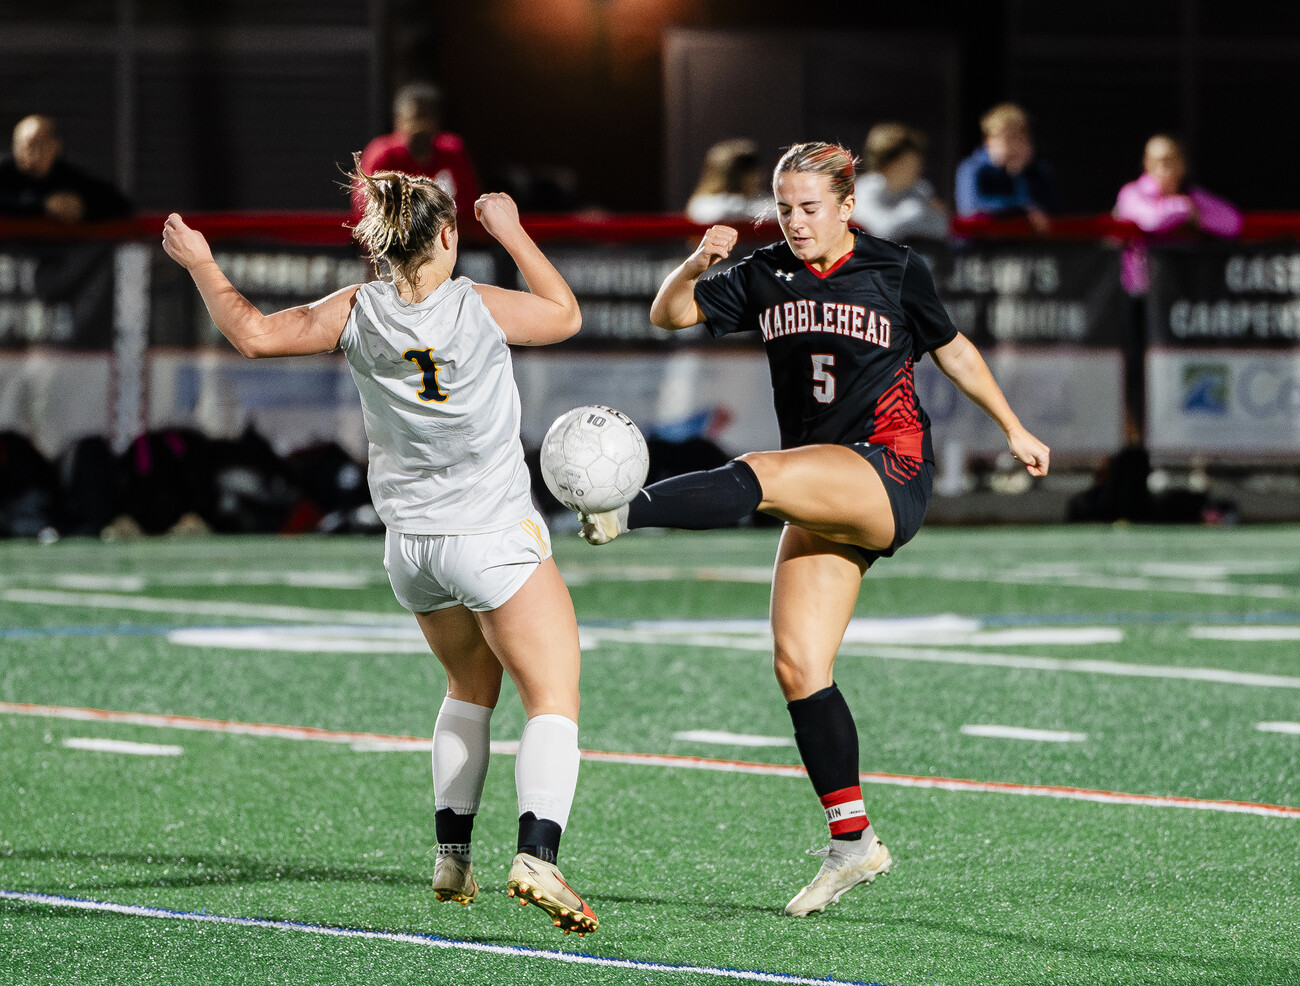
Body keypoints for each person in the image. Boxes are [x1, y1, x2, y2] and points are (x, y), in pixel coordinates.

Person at [580, 141, 1049, 917]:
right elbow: (668, 315)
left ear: (846, 205)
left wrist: (1014, 427)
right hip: (824, 483)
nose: (795, 220)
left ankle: (626, 507)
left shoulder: (896, 268)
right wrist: (696, 262)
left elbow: (955, 350)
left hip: (887, 468)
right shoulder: (764, 273)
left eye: (810, 206)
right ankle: (853, 844)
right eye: (784, 206)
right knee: (800, 666)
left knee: (763, 473)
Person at [162, 169, 598, 936]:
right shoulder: (477, 305)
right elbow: (564, 316)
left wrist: (200, 261)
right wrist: (514, 230)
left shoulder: (357, 310)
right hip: (489, 535)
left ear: (380, 247)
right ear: (449, 236)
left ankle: (453, 853)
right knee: (553, 694)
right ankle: (536, 855)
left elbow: (254, 334)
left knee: (469, 683)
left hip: (411, 549)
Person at [1113, 134, 1241, 294]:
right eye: (1153, 161)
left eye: (1168, 160)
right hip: (1142, 297)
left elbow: (1233, 222)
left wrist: (1201, 219)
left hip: (1184, 293)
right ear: (1146, 163)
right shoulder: (1131, 193)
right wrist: (1185, 209)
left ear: (1182, 164)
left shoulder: (1193, 195)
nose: (1160, 168)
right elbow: (1151, 221)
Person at [351, 82, 480, 225]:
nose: (420, 125)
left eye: (426, 117)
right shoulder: (382, 153)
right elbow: (363, 205)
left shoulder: (451, 149)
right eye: (414, 118)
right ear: (398, 120)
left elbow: (469, 202)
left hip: (444, 237)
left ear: (436, 121)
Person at [0, 115, 132, 222]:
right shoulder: (5, 170)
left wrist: (82, 207)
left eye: (35, 144)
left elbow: (119, 204)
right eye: (19, 144)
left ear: (55, 146)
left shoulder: (69, 176)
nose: (25, 151)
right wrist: (43, 205)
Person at [954, 103, 1057, 233]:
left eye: (1020, 138)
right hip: (979, 250)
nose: (1014, 145)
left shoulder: (1038, 171)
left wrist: (1018, 173)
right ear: (988, 140)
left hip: (1026, 249)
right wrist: (1023, 211)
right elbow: (970, 213)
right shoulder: (971, 169)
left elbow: (1053, 212)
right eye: (1008, 138)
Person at [852, 123, 948, 243]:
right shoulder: (865, 188)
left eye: (917, 163)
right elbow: (879, 231)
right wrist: (915, 211)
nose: (917, 169)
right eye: (907, 163)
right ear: (888, 164)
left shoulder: (920, 188)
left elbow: (941, 227)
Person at [686, 139, 770, 225]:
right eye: (747, 169)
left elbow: (772, 212)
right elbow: (708, 214)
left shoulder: (763, 200)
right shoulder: (705, 205)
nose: (757, 176)